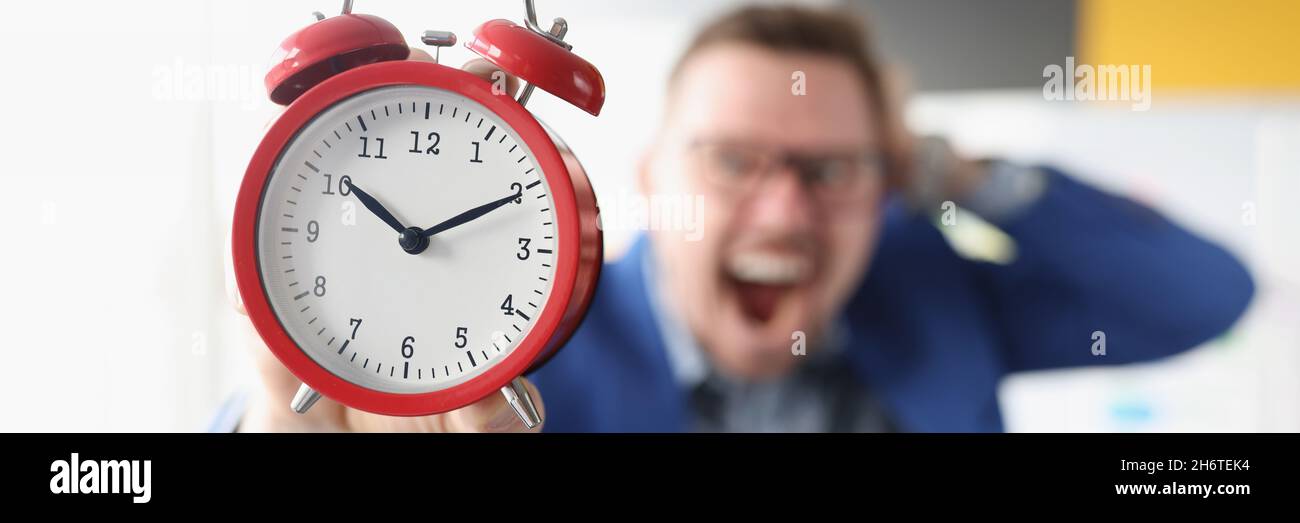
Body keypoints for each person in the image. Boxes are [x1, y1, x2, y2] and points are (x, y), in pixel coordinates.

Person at [221, 5, 1254, 433]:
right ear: (650, 173)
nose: (784, 207)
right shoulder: (503, 357)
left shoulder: (930, 295)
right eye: (731, 159)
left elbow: (1205, 296)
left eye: (833, 167)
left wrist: (951, 170)